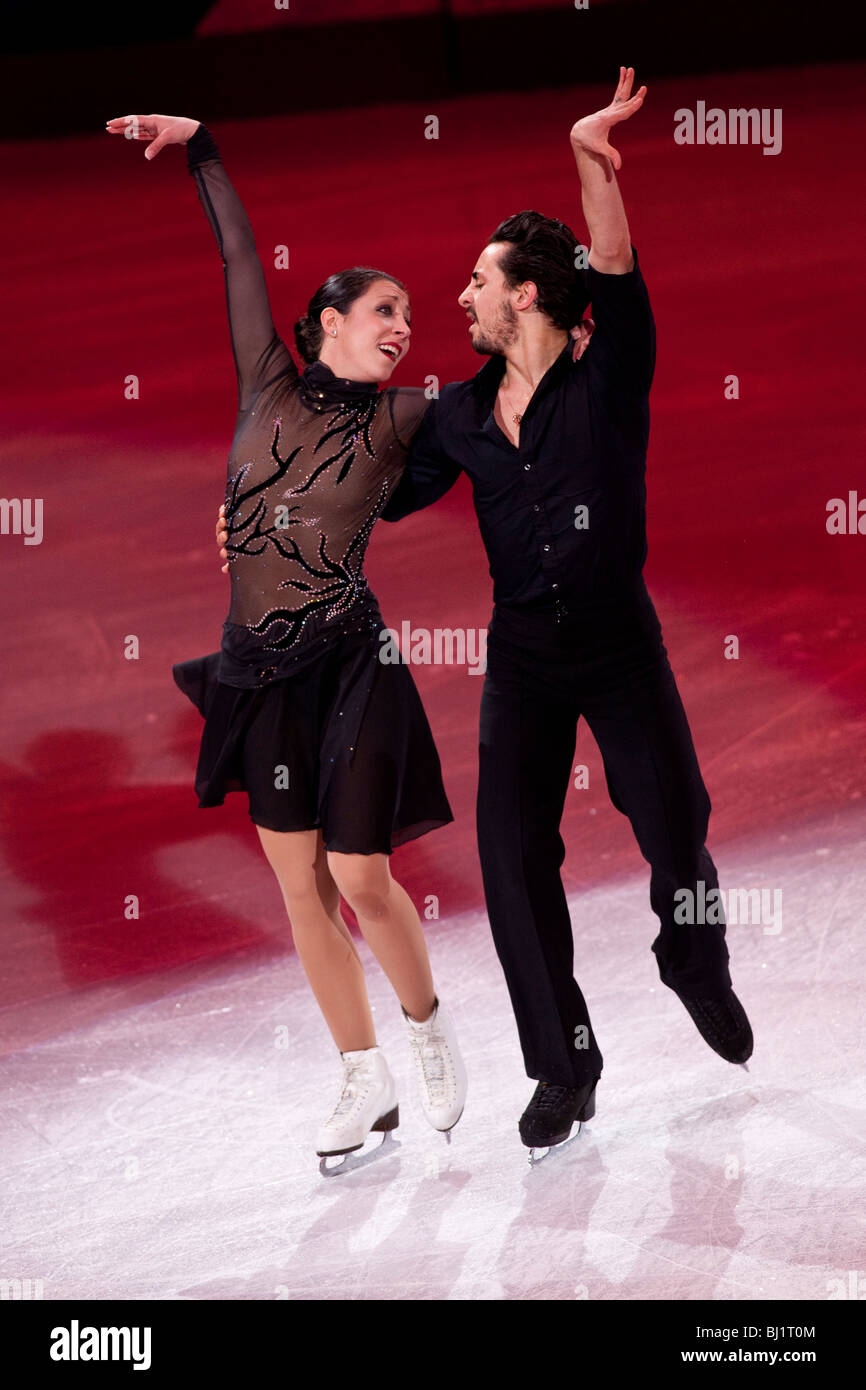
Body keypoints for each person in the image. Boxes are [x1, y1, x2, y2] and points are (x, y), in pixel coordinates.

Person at [222, 68, 754, 1155]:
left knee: (677, 833)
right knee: (512, 863)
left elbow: (612, 263)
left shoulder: (610, 374)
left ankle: (691, 960)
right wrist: (268, 522)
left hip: (618, 648)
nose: (453, 300)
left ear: (523, 294)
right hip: (522, 660)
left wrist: (585, 157)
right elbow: (360, 487)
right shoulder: (457, 418)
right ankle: (563, 1066)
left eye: (474, 282)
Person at [106, 111, 467, 1167]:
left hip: (350, 658)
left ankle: (427, 1026)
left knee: (360, 874)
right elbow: (232, 251)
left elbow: (487, 415)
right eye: (382, 308)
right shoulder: (262, 376)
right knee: (298, 884)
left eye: (407, 313)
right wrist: (201, 143)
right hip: (257, 669)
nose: (402, 323)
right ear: (326, 320)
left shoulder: (399, 418)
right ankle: (362, 1080)